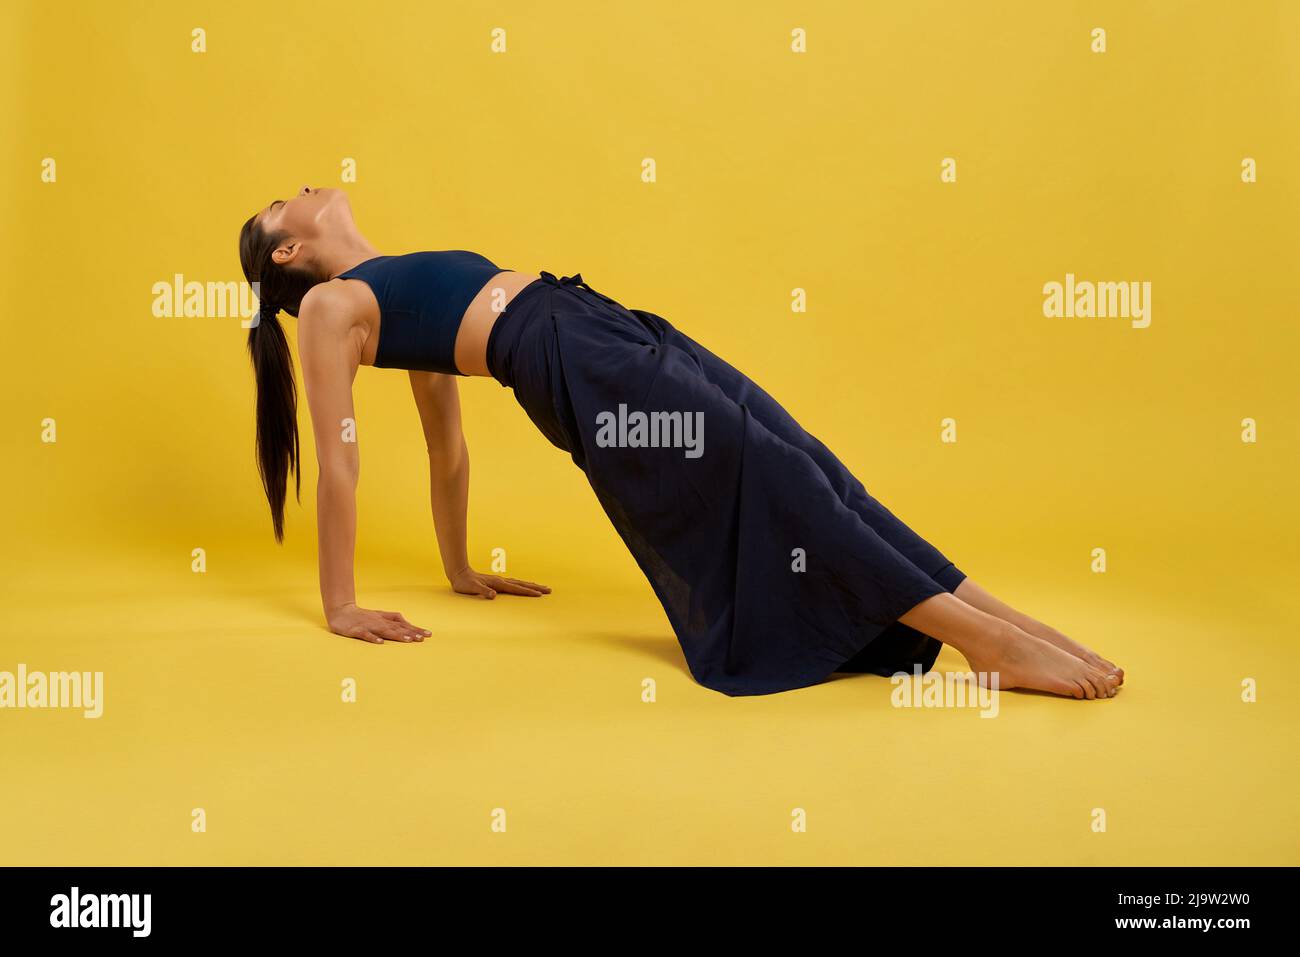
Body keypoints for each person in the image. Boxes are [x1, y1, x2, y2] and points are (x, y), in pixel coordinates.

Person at [237, 185, 1124, 699]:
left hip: (598, 324)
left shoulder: (388, 287)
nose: (310, 186)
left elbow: (449, 450)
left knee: (804, 458)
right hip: (576, 363)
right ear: (287, 254)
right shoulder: (327, 308)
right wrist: (341, 603)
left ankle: (998, 616)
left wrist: (461, 566)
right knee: (777, 480)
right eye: (288, 201)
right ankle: (980, 646)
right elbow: (340, 457)